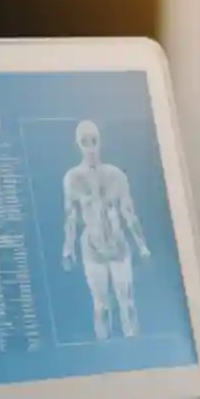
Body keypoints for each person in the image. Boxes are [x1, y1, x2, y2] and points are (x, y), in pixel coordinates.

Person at [62, 119, 150, 340]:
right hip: (92, 247)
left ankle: (135, 351)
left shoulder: (116, 176)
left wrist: (142, 246)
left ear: (100, 142)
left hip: (118, 245)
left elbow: (129, 213)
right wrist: (67, 249)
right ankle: (105, 350)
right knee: (101, 305)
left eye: (94, 141)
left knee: (127, 302)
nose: (90, 147)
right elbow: (70, 217)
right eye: (85, 142)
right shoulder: (73, 179)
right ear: (78, 145)